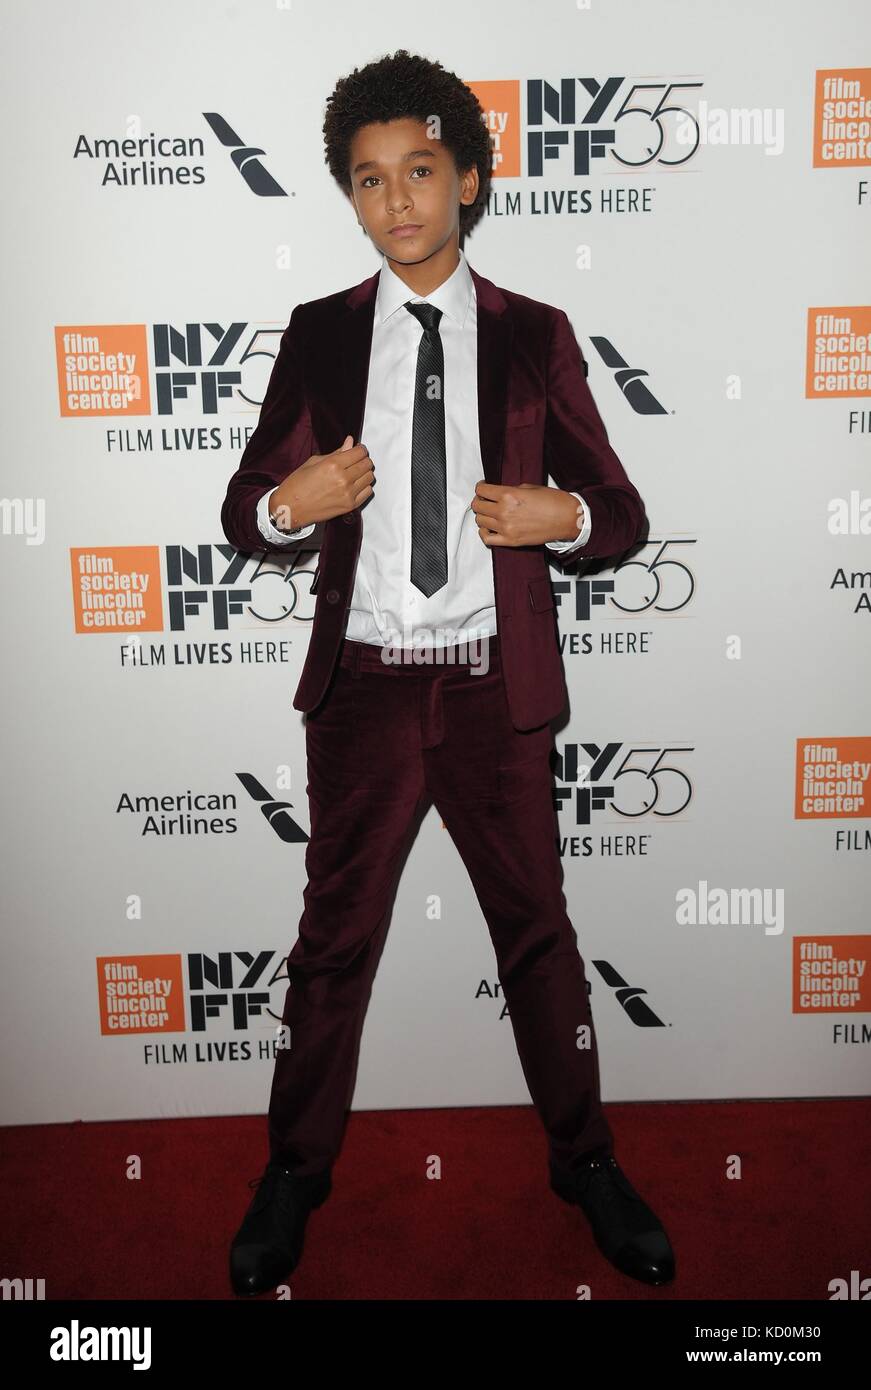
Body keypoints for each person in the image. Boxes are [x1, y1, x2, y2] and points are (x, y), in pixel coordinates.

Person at [221, 48, 673, 1296]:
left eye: (420, 170)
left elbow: (625, 514)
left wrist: (562, 516)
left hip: (493, 690)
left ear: (468, 178)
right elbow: (240, 507)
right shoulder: (318, 337)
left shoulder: (534, 337)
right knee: (332, 944)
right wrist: (286, 505)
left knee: (538, 936)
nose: (397, 201)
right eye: (367, 181)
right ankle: (294, 1171)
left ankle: (584, 1160)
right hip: (362, 687)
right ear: (350, 201)